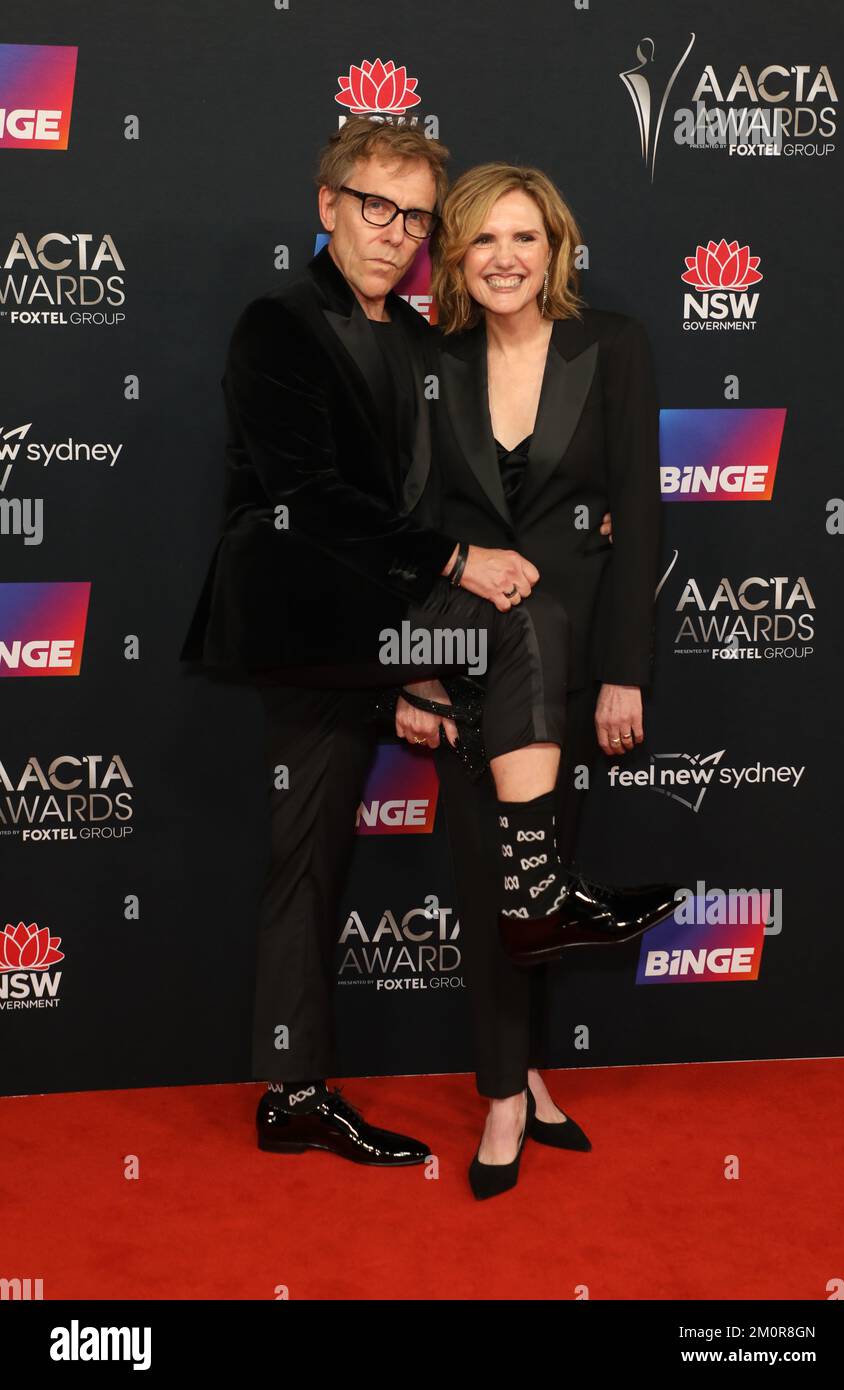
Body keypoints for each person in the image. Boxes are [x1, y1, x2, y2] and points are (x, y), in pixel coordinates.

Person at [178, 118, 646, 1170]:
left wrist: (427, 646)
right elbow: (312, 498)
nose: (393, 234)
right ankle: (293, 1093)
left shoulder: (418, 338)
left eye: (414, 218)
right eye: (373, 208)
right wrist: (449, 573)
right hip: (308, 632)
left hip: (389, 629)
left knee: (527, 626)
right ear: (327, 204)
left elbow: (458, 481)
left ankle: (531, 890)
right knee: (308, 860)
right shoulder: (278, 324)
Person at [392, 162, 676, 1197]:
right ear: (455, 257)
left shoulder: (612, 346)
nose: (505, 257)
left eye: (525, 237)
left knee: (530, 871)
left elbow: (638, 515)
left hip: (571, 657)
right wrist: (416, 677)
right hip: (469, 651)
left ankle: (526, 1075)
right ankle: (505, 1096)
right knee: (497, 876)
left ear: (554, 250)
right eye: (483, 240)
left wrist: (623, 674)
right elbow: (414, 525)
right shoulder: (432, 361)